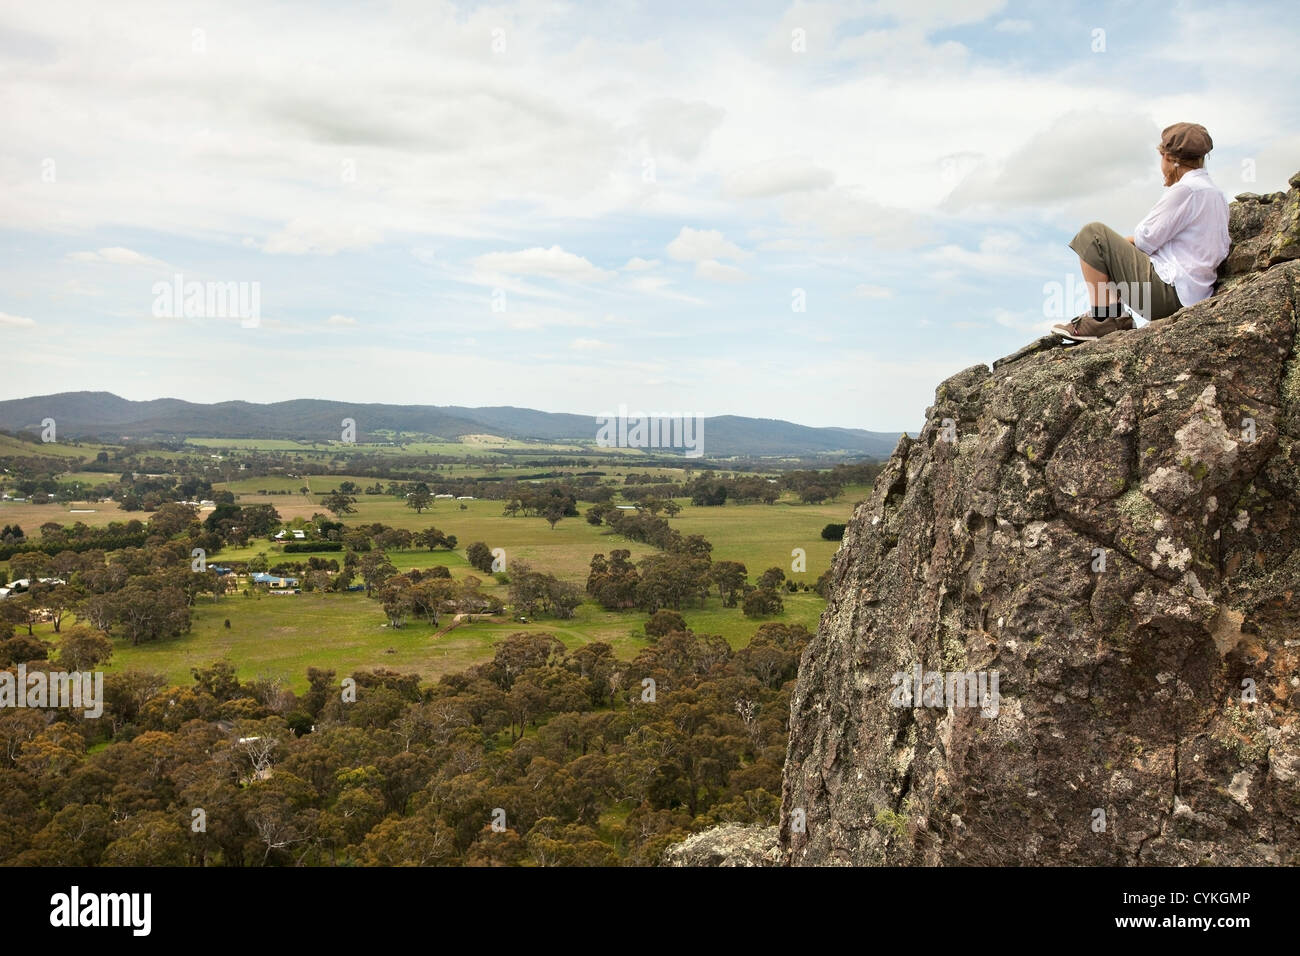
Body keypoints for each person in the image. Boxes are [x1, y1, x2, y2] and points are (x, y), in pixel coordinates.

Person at [1052, 122, 1230, 341]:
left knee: (1093, 236)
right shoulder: (1217, 195)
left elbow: (1145, 240)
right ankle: (1112, 315)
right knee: (1106, 246)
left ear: (1169, 159)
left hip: (1170, 296)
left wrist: (1109, 249)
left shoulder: (1185, 190)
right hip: (1196, 293)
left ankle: (1105, 318)